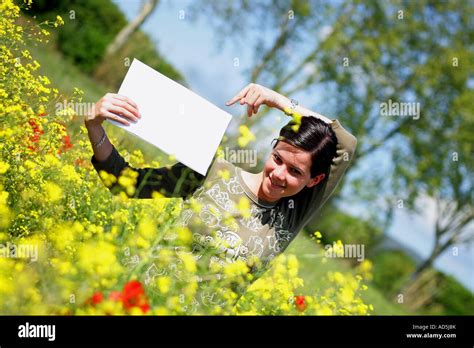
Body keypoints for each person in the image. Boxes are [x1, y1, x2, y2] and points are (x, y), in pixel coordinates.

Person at [85, 83, 357, 311]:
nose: (278, 174)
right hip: (132, 303)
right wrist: (94, 125)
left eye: (295, 171)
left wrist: (279, 102)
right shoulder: (214, 170)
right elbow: (126, 183)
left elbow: (345, 142)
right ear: (272, 148)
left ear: (315, 180)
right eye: (277, 159)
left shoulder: (292, 213)